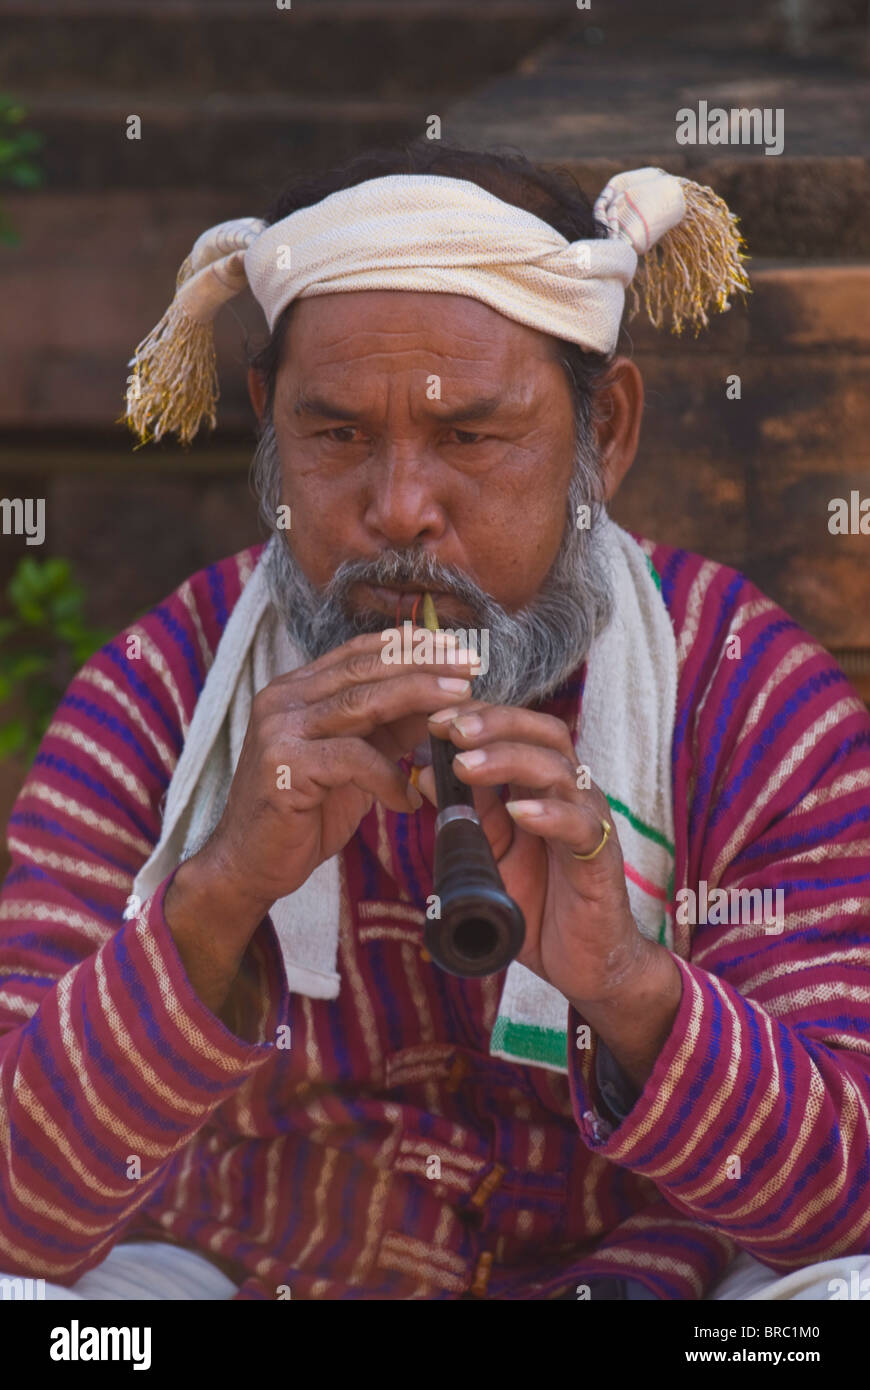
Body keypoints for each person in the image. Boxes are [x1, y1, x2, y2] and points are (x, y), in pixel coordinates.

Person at [1, 140, 869, 1302]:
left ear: (603, 431)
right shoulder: (159, 694)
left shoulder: (743, 692)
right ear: (270, 425)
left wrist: (625, 982)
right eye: (338, 435)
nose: (399, 510)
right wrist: (212, 899)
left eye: (469, 436)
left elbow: (846, 1199)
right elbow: (17, 1218)